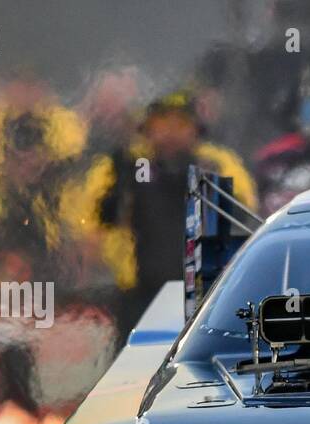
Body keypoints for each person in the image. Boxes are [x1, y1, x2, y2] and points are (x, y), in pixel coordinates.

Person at [84, 91, 256, 336]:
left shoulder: (218, 164)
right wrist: (119, 187)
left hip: (206, 294)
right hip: (141, 296)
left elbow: (243, 221)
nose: (171, 133)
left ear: (196, 129)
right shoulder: (126, 167)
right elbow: (96, 227)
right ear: (147, 129)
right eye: (162, 124)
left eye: (180, 124)